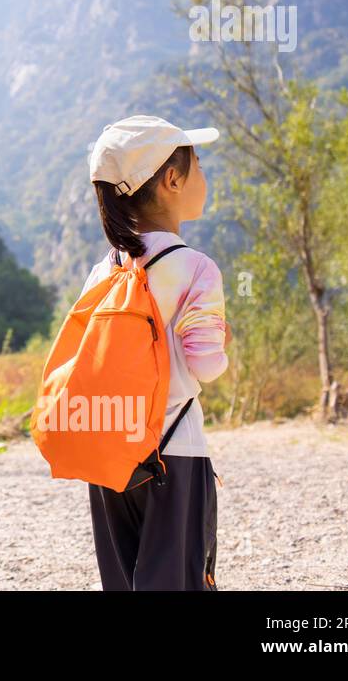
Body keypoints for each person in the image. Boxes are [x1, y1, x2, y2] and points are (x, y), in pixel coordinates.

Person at [83, 114, 230, 590]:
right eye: (198, 165)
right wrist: (222, 347)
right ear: (172, 180)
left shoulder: (104, 269)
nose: (204, 176)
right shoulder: (195, 268)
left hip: (108, 452)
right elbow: (207, 364)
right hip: (175, 452)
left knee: (124, 581)